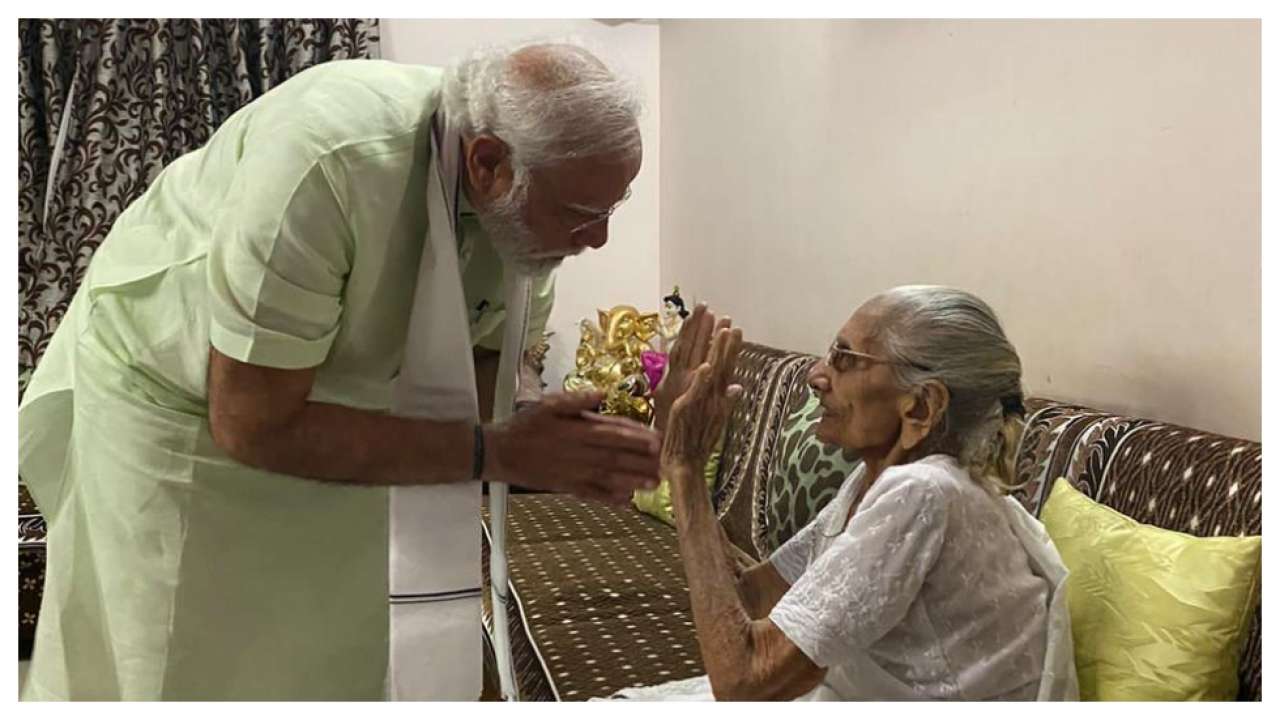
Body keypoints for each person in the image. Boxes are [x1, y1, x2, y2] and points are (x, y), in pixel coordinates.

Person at [17, 41, 661, 700]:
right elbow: (253, 424)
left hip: (337, 404)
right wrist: (498, 451)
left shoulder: (528, 221)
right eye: (583, 215)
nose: (598, 239)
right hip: (177, 404)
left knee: (334, 646)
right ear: (489, 162)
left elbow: (478, 386)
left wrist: (542, 434)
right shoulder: (331, 157)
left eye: (612, 209)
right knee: (181, 656)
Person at [628, 287, 1078, 700]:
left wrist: (685, 470)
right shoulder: (876, 480)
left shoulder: (924, 493)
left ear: (921, 407)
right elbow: (755, 597)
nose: (816, 374)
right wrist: (675, 448)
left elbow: (744, 681)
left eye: (843, 358)